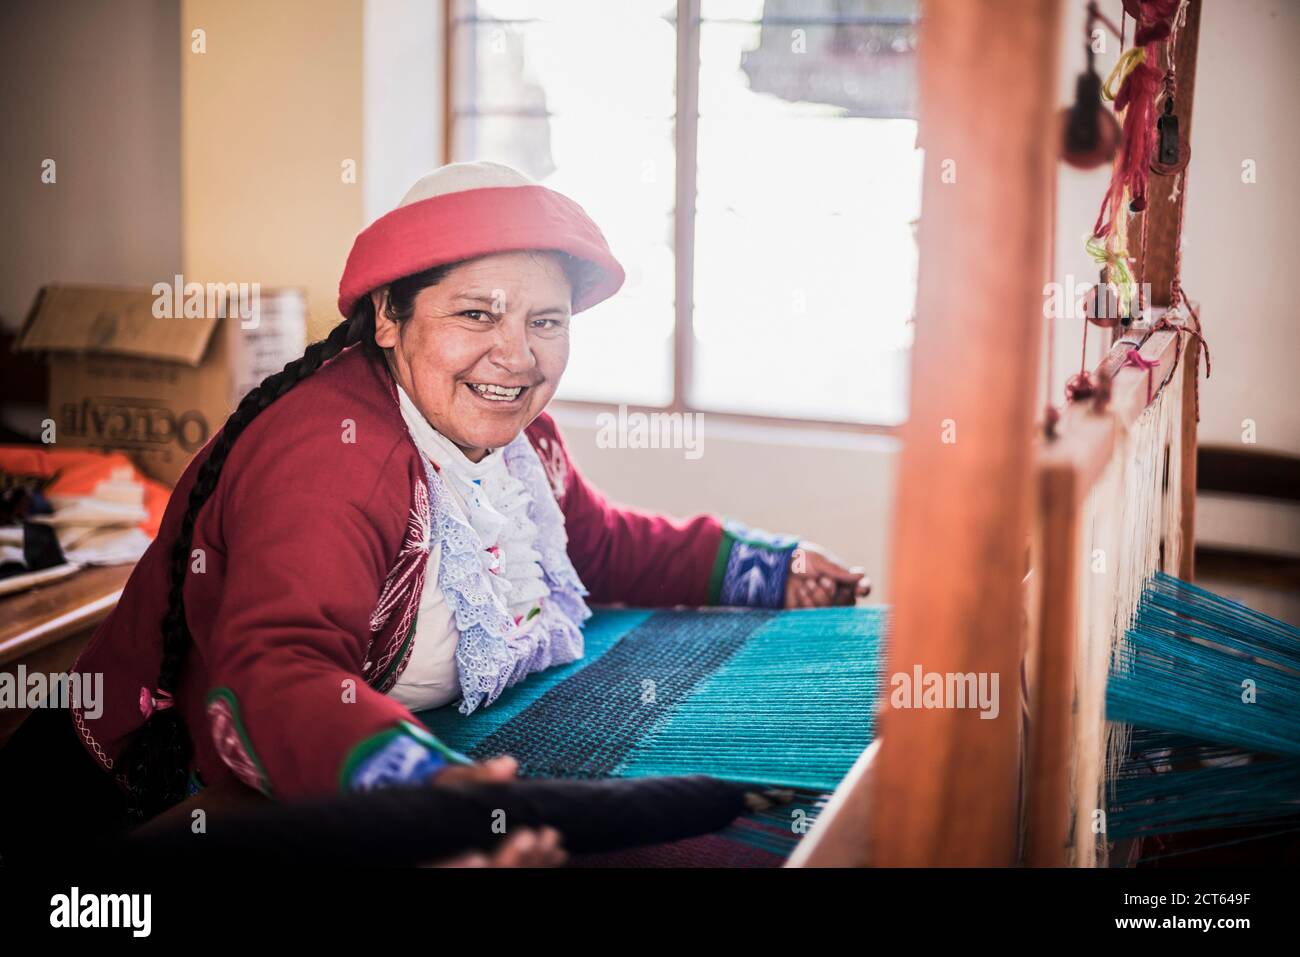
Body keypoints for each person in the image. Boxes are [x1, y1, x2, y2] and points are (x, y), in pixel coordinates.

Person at [0, 161, 869, 863]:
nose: (518, 356)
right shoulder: (333, 453)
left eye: (547, 321)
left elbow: (601, 542)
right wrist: (417, 797)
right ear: (388, 315)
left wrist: (769, 565)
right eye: (476, 314)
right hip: (120, 801)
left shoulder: (516, 437)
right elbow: (281, 671)